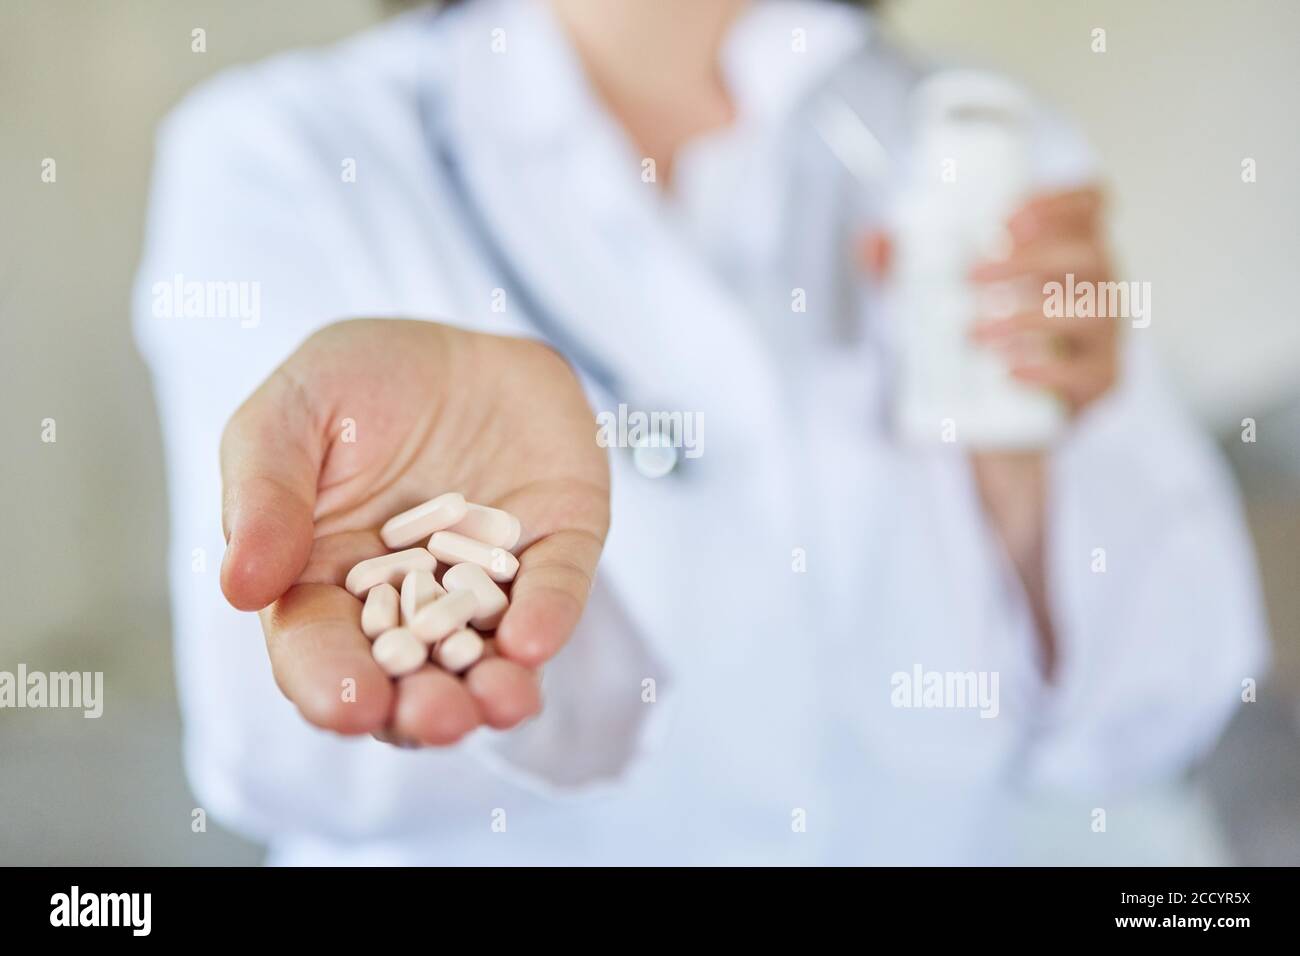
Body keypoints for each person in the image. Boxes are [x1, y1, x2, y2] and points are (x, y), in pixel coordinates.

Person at [133, 0, 1267, 865]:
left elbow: (1156, 709)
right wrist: (487, 601)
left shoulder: (977, 143)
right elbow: (280, 750)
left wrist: (1025, 473)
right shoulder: (290, 152)